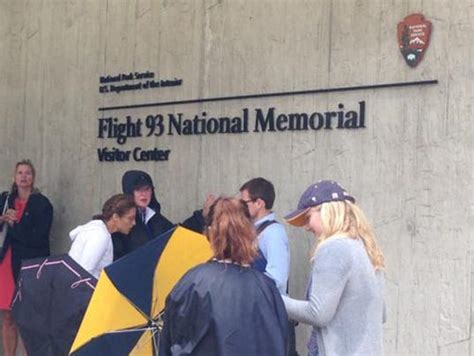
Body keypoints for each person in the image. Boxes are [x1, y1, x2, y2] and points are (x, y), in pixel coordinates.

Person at [159, 197, 289, 356]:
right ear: (249, 233)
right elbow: (282, 343)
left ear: (210, 234)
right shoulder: (266, 288)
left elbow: (170, 343)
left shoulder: (191, 283)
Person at [283, 180, 385, 356]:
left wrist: (274, 298)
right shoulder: (366, 248)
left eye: (308, 218)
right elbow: (382, 313)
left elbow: (318, 313)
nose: (306, 227)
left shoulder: (334, 248)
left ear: (326, 211)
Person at [0, 159, 53, 356]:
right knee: (7, 316)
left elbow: (38, 238)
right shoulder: (5, 200)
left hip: (28, 265)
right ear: (14, 177)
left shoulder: (42, 204)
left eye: (28, 173)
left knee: (27, 318)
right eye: (20, 173)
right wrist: (3, 219)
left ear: (33, 178)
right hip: (5, 263)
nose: (24, 176)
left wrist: (14, 225)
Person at [112, 170, 207, 260]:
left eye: (147, 189)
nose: (143, 194)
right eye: (138, 190)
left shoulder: (153, 217)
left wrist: (200, 216)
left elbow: (174, 235)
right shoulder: (122, 220)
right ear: (129, 191)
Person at [239, 177, 290, 294]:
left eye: (243, 203)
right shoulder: (251, 230)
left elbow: (277, 280)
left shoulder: (274, 233)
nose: (240, 207)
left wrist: (241, 282)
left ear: (259, 203)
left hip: (267, 307)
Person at [69, 194, 136, 278]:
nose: (134, 223)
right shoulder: (100, 236)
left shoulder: (99, 232)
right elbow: (84, 273)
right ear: (115, 217)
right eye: (130, 218)